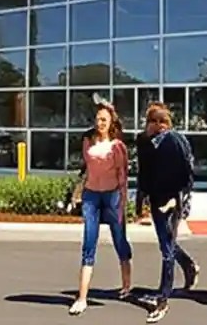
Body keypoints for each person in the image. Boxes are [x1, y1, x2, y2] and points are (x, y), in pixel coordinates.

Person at [135, 102, 200, 323]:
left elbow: (187, 172)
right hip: (155, 197)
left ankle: (163, 298)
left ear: (167, 123)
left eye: (161, 121)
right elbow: (144, 171)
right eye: (152, 121)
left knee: (166, 249)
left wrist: (179, 198)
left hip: (173, 199)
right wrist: (140, 198)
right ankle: (189, 265)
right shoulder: (143, 141)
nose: (157, 126)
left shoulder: (174, 140)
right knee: (166, 243)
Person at [69, 102, 133, 316]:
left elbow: (123, 178)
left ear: (111, 122)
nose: (100, 123)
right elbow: (86, 169)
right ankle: (82, 297)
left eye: (104, 119)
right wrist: (77, 193)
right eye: (97, 119)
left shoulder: (118, 147)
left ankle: (126, 286)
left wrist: (124, 203)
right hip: (91, 196)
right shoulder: (87, 141)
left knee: (119, 238)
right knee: (89, 241)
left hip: (112, 195)